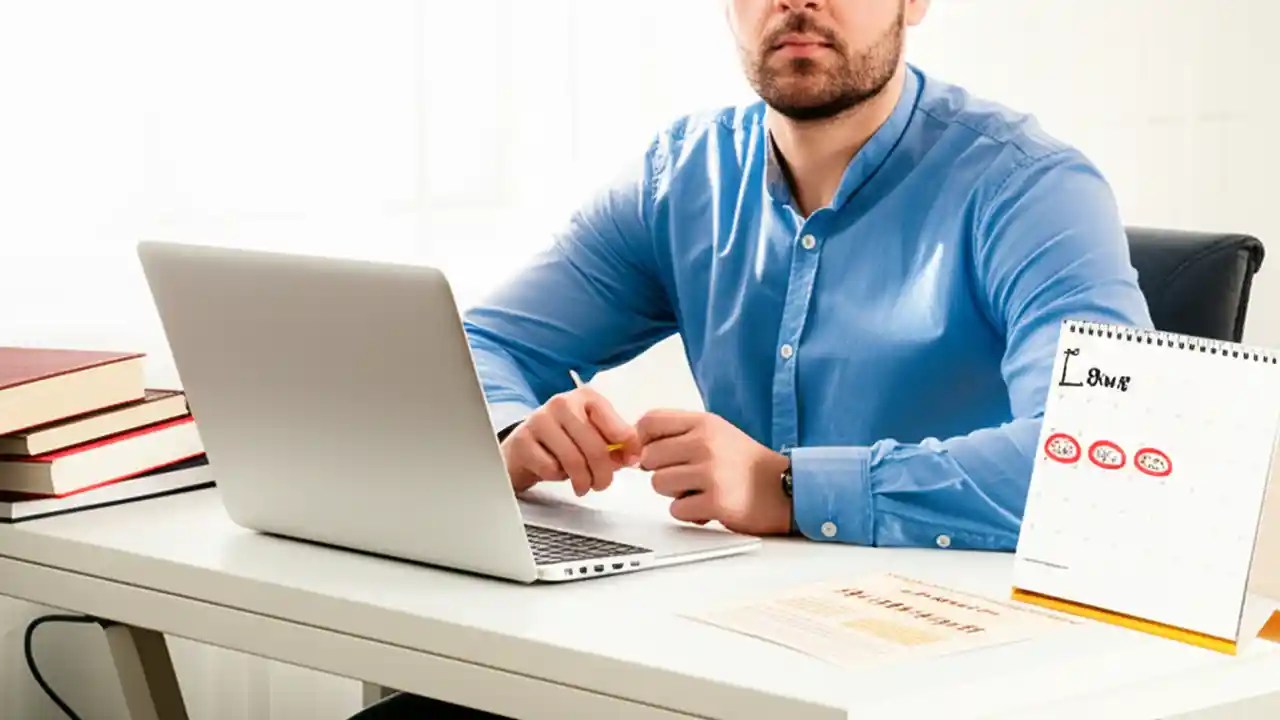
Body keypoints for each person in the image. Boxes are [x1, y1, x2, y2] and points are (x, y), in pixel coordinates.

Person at [350, 0, 1152, 717]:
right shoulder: (681, 179)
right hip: (718, 651)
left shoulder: (1030, 188)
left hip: (956, 677)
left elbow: (1099, 464)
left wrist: (789, 487)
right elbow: (483, 343)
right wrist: (513, 431)